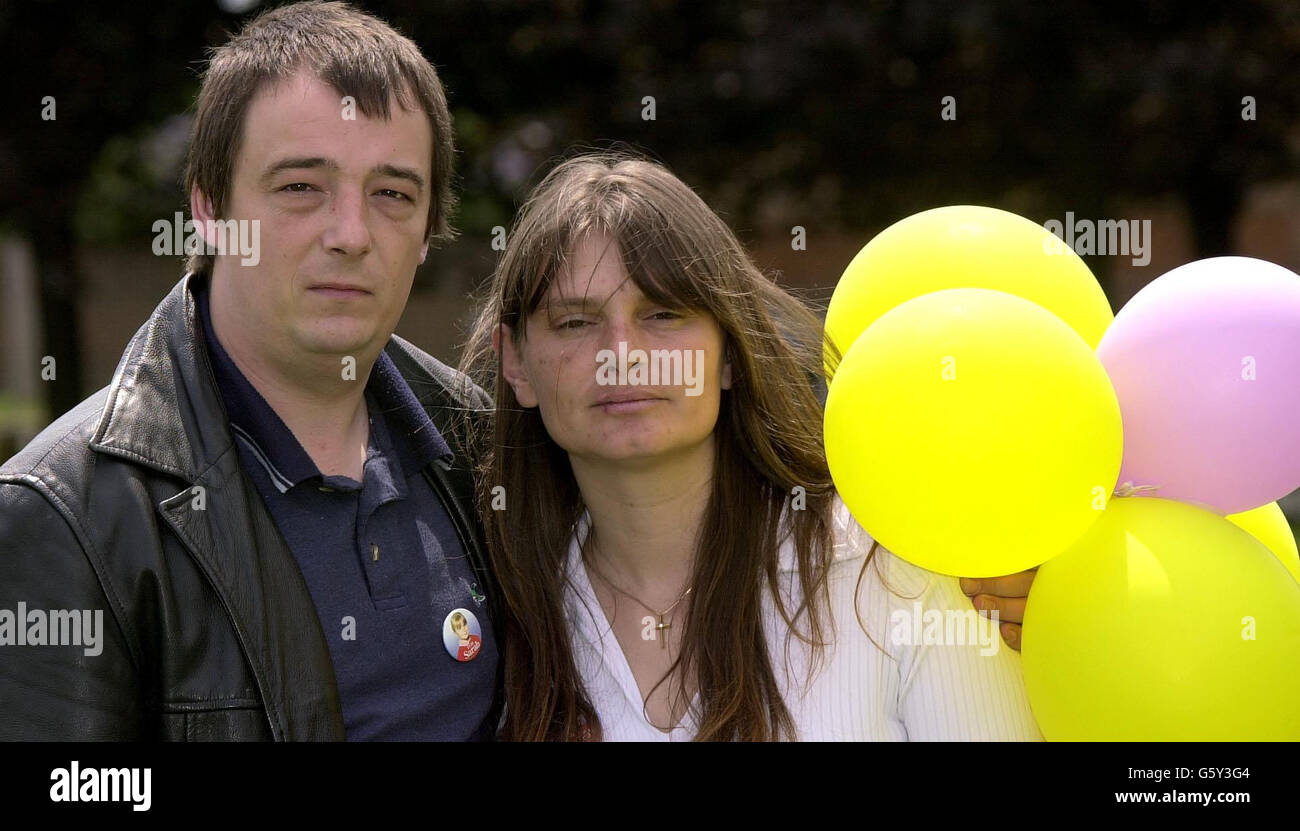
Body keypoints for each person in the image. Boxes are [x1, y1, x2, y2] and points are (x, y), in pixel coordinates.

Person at [0, 1, 501, 740]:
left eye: (393, 193)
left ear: (428, 230)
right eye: (301, 186)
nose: (351, 234)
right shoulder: (65, 514)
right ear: (208, 208)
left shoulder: (480, 446)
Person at [459, 151, 1043, 741]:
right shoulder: (501, 613)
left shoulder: (894, 571)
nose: (622, 353)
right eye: (575, 323)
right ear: (517, 364)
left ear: (730, 355)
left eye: (663, 313)